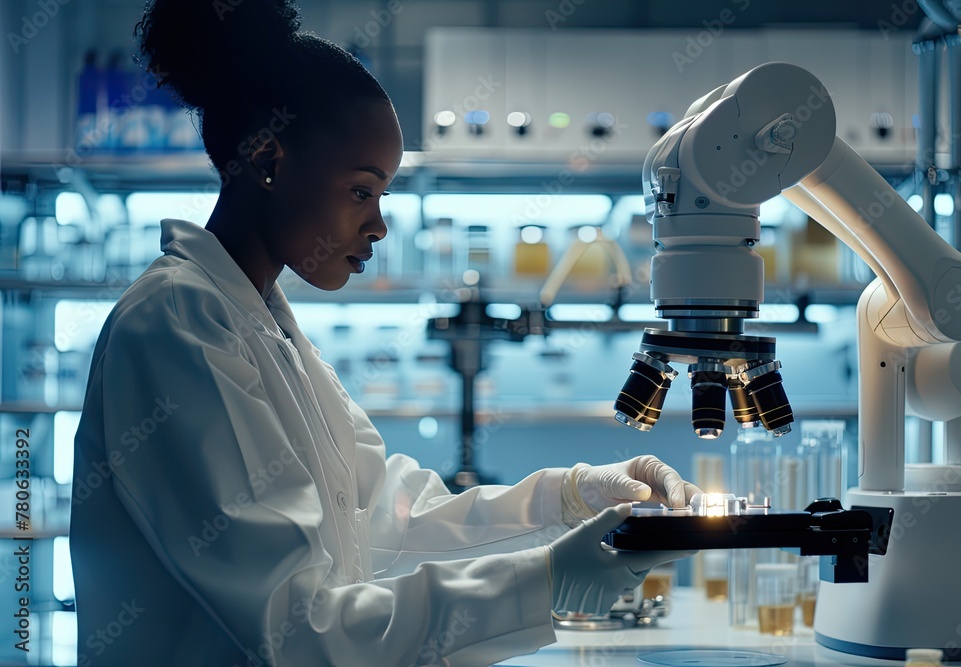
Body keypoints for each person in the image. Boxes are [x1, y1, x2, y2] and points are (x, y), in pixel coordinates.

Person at [69, 1, 701, 665]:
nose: (379, 226)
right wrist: (544, 584)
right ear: (268, 161)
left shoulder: (268, 329)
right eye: (360, 191)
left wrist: (573, 495)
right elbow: (299, 627)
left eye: (383, 196)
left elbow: (394, 519)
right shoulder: (176, 325)